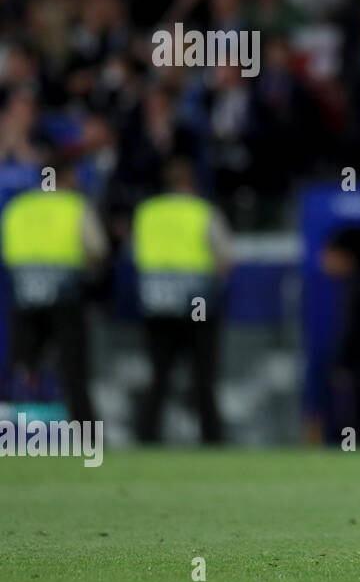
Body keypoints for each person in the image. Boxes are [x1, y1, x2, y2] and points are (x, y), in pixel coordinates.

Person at [132, 158, 233, 443]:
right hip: (196, 305)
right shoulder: (202, 212)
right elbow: (226, 256)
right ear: (192, 184)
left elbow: (137, 254)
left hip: (157, 305)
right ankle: (211, 439)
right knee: (203, 377)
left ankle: (146, 438)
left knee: (158, 377)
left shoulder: (147, 213)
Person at [1, 160, 108, 422]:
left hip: (26, 297)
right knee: (73, 371)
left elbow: (7, 250)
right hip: (66, 299)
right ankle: (86, 437)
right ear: (67, 177)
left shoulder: (17, 208)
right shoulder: (74, 206)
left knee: (22, 367)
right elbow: (97, 249)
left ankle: (11, 430)